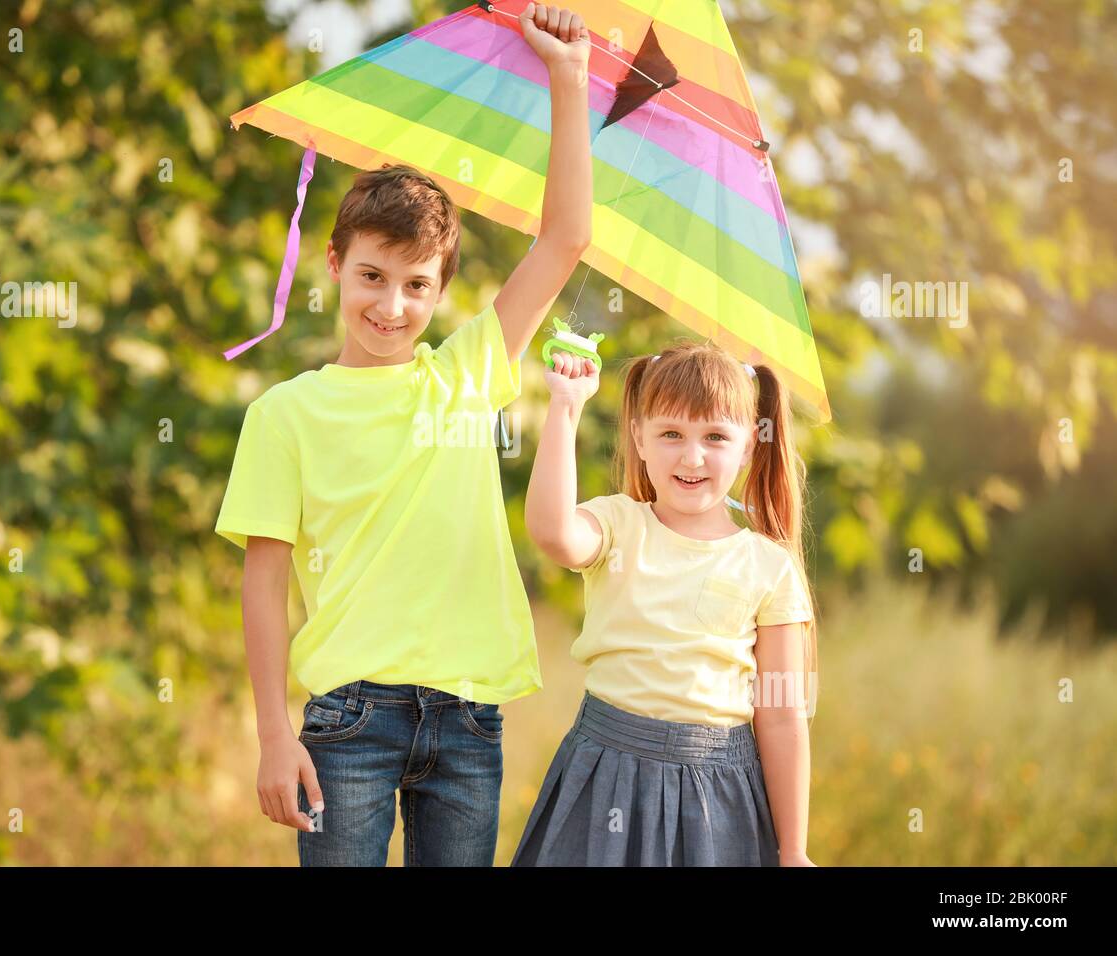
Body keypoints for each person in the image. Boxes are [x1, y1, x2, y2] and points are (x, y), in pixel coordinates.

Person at [215, 3, 594, 866]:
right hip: (347, 723)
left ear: (441, 288)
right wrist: (274, 735)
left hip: (467, 720)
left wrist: (567, 80)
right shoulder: (285, 414)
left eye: (417, 285)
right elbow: (262, 589)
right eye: (373, 277)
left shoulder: (467, 373)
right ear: (335, 266)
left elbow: (567, 236)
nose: (392, 306)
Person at [513, 343, 819, 866]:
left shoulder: (768, 566)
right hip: (605, 772)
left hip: (717, 795)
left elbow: (782, 715)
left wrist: (792, 851)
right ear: (639, 437)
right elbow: (552, 532)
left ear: (749, 446)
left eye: (716, 437)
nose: (691, 456)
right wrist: (565, 407)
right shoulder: (617, 525)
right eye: (671, 434)